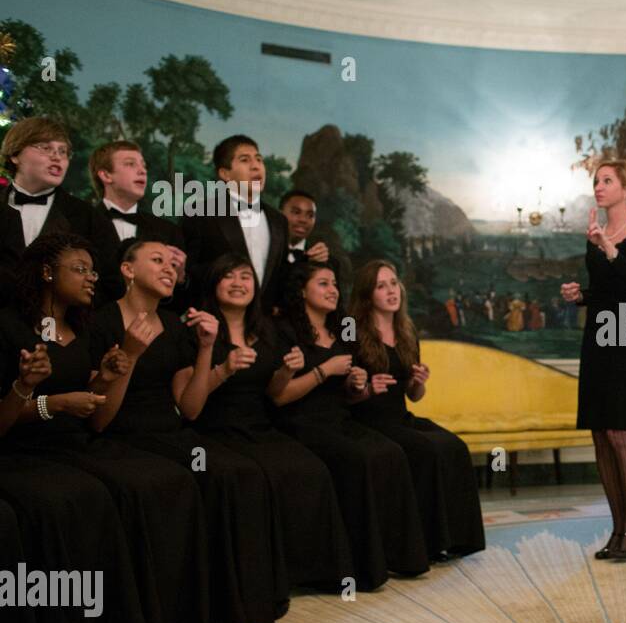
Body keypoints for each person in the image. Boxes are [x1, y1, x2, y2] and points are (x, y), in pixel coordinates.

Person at [0, 231, 207, 623]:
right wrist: (46, 399)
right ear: (45, 272)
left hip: (76, 443)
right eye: (80, 270)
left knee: (155, 483)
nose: (92, 278)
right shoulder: (9, 326)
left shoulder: (83, 327)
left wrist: (115, 371)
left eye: (93, 270)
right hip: (21, 451)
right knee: (74, 501)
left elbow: (98, 417)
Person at [89, 238, 283, 623]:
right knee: (174, 484)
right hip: (120, 436)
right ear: (127, 269)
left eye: (171, 264)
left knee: (239, 473)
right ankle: (170, 617)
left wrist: (207, 348)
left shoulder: (177, 324)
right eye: (155, 260)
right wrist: (132, 352)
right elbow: (100, 419)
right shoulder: (103, 321)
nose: (168, 268)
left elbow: (190, 408)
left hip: (172, 430)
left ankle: (231, 605)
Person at [196, 252, 352, 590]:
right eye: (229, 276)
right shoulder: (201, 327)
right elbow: (190, 406)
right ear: (214, 283)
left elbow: (274, 392)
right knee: (252, 478)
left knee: (311, 469)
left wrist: (286, 370)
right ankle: (263, 582)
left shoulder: (265, 330)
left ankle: (307, 574)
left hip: (259, 425)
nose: (239, 283)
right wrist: (223, 370)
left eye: (245, 277)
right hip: (215, 429)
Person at [272, 260, 427, 589]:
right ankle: (361, 563)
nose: (333, 290)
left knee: (391, 453)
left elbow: (348, 397)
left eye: (334, 284)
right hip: (301, 424)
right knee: (362, 459)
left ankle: (396, 556)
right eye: (323, 284)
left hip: (339, 419)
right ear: (302, 290)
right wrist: (324, 370)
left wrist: (358, 386)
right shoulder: (286, 331)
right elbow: (279, 397)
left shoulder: (341, 330)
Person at [348, 259, 486, 563]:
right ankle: (426, 542)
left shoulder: (407, 331)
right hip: (367, 420)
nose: (390, 291)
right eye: (381, 286)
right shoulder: (353, 332)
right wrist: (367, 388)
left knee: (454, 446)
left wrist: (418, 382)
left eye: (394, 283)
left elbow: (414, 396)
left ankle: (457, 539)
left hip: (401, 416)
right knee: (426, 449)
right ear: (367, 294)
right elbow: (341, 394)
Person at [559, 158, 626, 561]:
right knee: (600, 433)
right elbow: (603, 290)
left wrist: (607, 246)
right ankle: (617, 530)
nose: (598, 187)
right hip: (598, 335)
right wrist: (579, 295)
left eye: (606, 180)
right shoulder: (594, 234)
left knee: (619, 433)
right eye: (596, 181)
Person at [181, 134, 289, 309]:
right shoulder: (200, 213)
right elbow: (190, 272)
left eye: (259, 159)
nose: (256, 166)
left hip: (266, 326)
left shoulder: (279, 220)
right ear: (225, 173)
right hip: (214, 321)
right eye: (245, 160)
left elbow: (281, 274)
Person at [1, 117, 95, 305]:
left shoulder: (87, 216)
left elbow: (105, 284)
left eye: (63, 151)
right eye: (45, 148)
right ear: (15, 155)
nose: (57, 156)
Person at [85, 140, 186, 303]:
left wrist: (180, 278)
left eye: (144, 166)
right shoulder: (80, 223)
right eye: (130, 164)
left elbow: (179, 303)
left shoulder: (168, 231)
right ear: (105, 175)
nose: (142, 171)